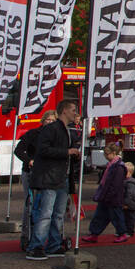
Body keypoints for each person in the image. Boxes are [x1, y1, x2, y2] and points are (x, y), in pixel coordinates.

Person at [25, 101, 79, 260]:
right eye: (73, 110)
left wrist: (72, 155)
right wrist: (67, 151)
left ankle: (53, 245)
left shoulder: (67, 131)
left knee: (58, 214)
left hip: (62, 177)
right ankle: (35, 246)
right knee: (46, 213)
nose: (75, 113)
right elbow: (43, 150)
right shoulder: (51, 129)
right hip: (49, 177)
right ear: (64, 111)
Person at [13, 111, 57, 250]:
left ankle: (45, 238)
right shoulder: (33, 134)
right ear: (43, 121)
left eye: (52, 120)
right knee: (30, 205)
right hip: (30, 173)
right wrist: (29, 160)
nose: (50, 122)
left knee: (47, 208)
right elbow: (19, 150)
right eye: (48, 120)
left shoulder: (56, 136)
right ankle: (26, 237)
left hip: (49, 175)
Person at [81, 143, 128, 243]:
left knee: (115, 216)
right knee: (100, 216)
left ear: (114, 153)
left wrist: (107, 195)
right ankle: (94, 234)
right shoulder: (113, 165)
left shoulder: (118, 167)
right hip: (107, 196)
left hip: (112, 197)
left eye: (107, 154)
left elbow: (115, 185)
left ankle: (122, 233)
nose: (106, 157)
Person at [121, 162, 135, 239]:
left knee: (130, 219)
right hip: (129, 203)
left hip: (131, 204)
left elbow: (130, 194)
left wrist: (126, 204)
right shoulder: (127, 181)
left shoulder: (130, 183)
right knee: (125, 218)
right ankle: (124, 231)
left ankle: (129, 232)